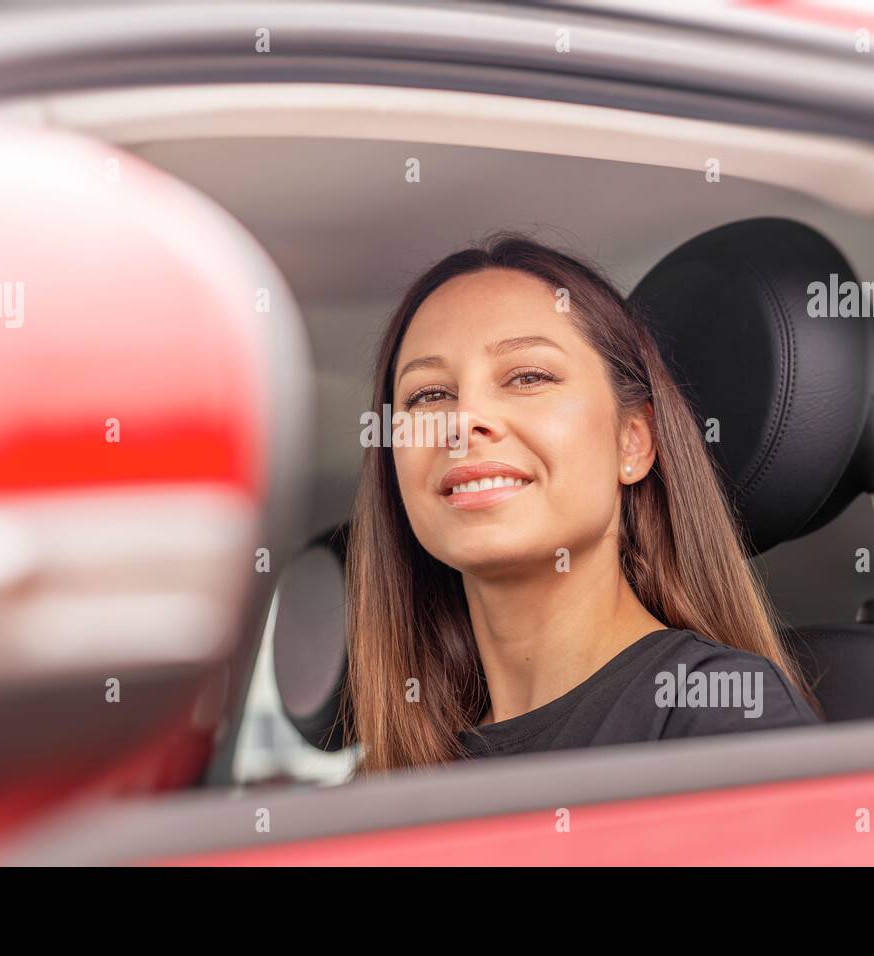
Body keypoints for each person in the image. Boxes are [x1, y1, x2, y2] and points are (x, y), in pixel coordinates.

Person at [344, 233, 820, 772]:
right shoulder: (384, 780)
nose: (463, 420)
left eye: (528, 377)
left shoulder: (720, 717)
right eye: (429, 395)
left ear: (632, 442)